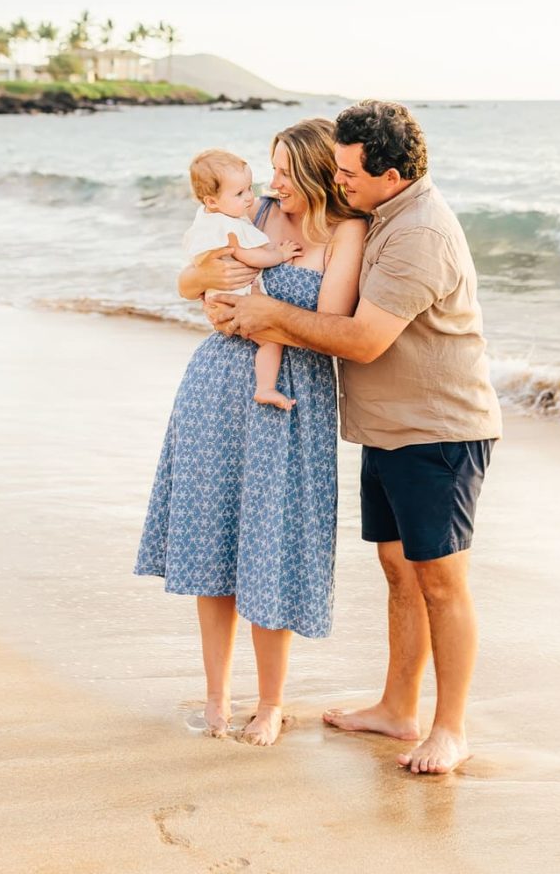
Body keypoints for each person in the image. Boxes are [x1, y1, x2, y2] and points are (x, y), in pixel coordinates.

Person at [209, 100, 503, 775]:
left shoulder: (418, 232)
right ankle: (399, 709)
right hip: (390, 429)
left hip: (438, 430)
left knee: (441, 582)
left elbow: (366, 341)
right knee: (399, 571)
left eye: (348, 173)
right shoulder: (378, 216)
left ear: (391, 174)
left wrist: (271, 316)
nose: (338, 181)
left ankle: (449, 728)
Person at [134, 118, 366, 746]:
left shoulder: (347, 231)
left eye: (286, 171)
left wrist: (260, 312)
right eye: (271, 168)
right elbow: (188, 279)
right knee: (213, 545)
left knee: (273, 547)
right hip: (217, 385)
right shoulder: (252, 210)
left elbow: (333, 321)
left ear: (319, 173)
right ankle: (215, 697)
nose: (273, 182)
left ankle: (270, 703)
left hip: (292, 398)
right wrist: (211, 292)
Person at [183, 148, 302, 409]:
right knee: (270, 343)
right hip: (235, 299)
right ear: (212, 201)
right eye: (239, 193)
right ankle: (266, 388)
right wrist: (280, 254)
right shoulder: (230, 226)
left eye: (249, 188)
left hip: (221, 297)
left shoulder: (208, 218)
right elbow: (253, 258)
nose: (250, 197)